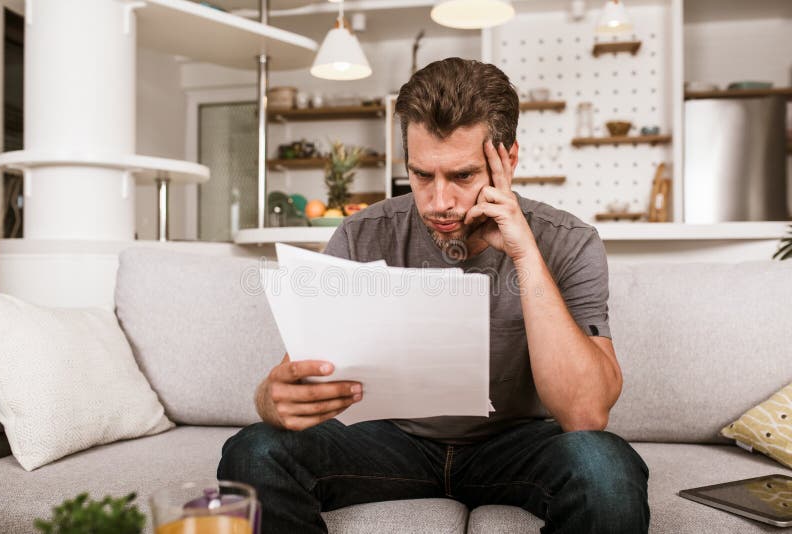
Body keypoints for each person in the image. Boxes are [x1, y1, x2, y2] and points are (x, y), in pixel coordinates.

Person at [218, 57, 650, 533]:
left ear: (507, 160)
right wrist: (272, 399)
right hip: (390, 443)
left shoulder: (569, 241)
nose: (439, 202)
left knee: (604, 469)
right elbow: (298, 380)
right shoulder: (362, 234)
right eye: (422, 175)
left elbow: (585, 414)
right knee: (254, 451)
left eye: (462, 176)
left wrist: (524, 253)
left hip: (516, 446)